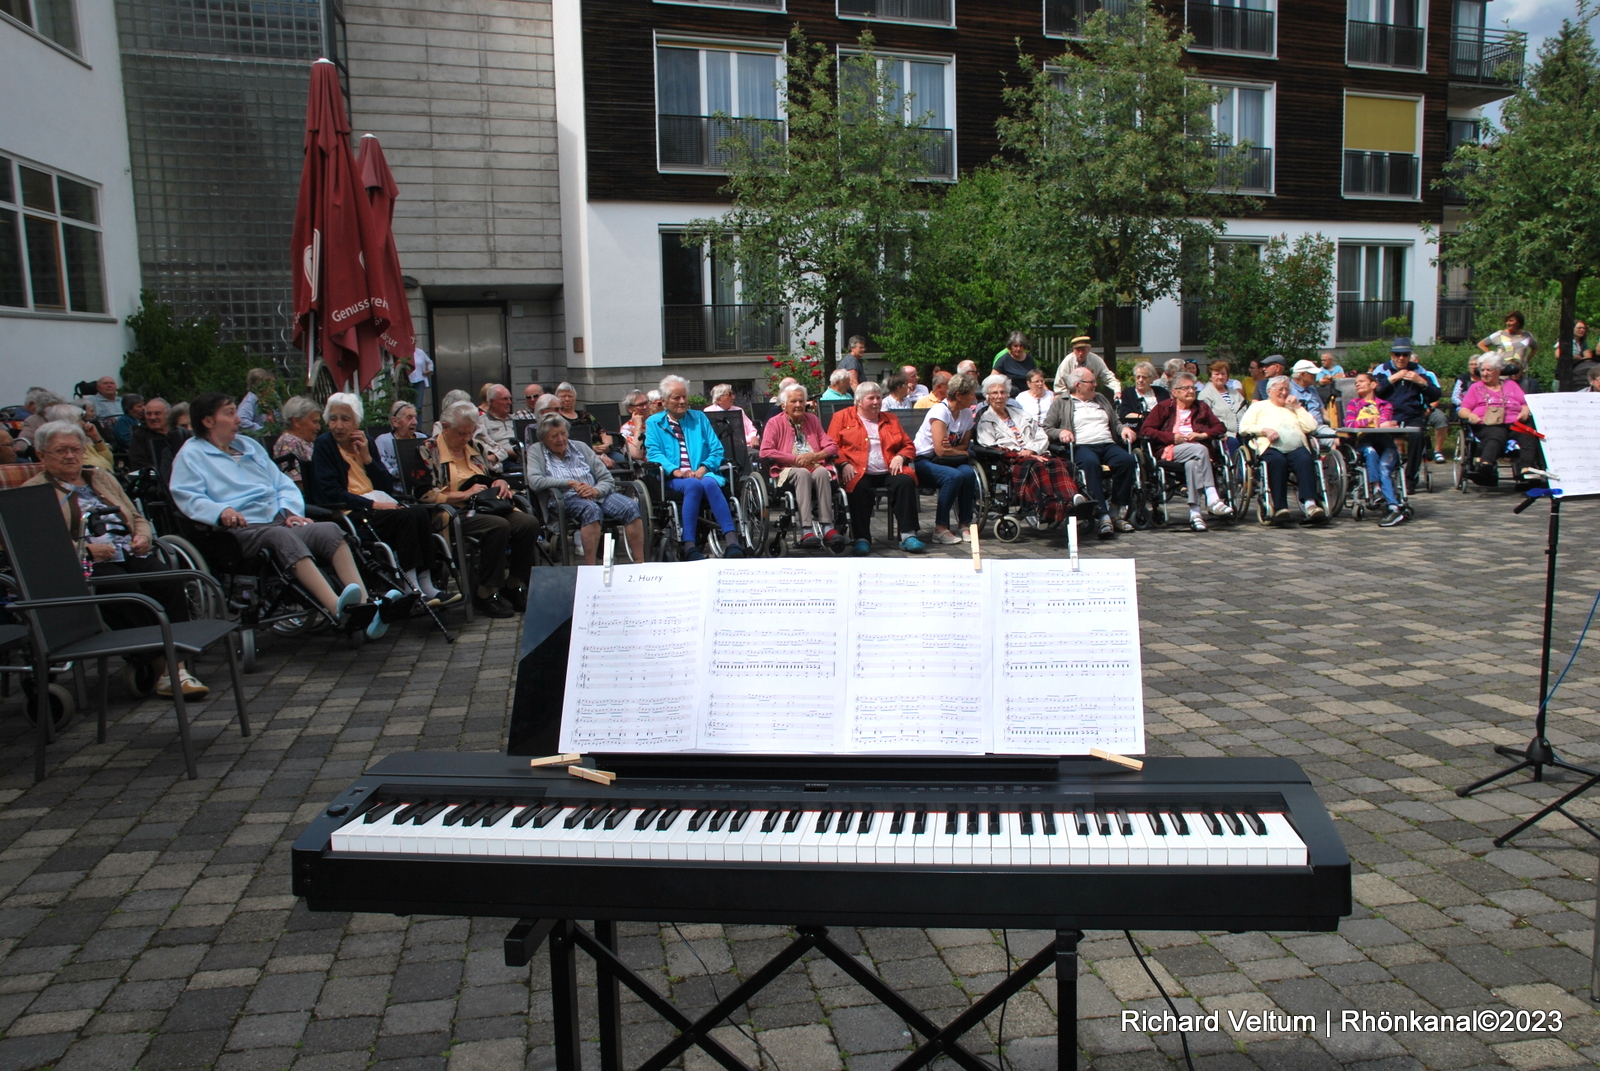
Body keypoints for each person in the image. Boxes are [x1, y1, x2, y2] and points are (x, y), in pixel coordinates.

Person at [169, 393, 384, 636]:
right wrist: (221, 510)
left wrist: (289, 511)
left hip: (278, 521)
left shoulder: (248, 447)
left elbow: (282, 484)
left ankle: (365, 606)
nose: (238, 419)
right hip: (239, 530)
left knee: (330, 530)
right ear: (208, 421)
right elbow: (187, 495)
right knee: (282, 537)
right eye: (229, 413)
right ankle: (337, 609)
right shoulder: (191, 455)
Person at [25, 420, 209, 696]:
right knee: (127, 591)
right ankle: (168, 669)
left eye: (76, 449)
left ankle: (177, 662)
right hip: (87, 564)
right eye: (61, 450)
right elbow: (39, 543)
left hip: (129, 550)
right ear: (41, 455)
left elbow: (135, 516)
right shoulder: (35, 491)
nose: (71, 456)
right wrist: (87, 550)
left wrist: (143, 537)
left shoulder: (101, 478)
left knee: (168, 581)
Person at [312, 393, 449, 606]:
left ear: (356, 422)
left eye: (345, 419)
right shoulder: (324, 445)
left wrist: (368, 458)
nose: (338, 425)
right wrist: (374, 504)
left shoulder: (366, 442)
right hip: (350, 511)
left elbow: (385, 485)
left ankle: (426, 583)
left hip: (375, 504)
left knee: (420, 513)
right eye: (333, 419)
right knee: (405, 517)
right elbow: (330, 492)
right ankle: (411, 586)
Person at [420, 400, 540, 616]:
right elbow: (423, 494)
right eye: (461, 433)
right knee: (498, 526)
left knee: (527, 523)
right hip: (453, 511)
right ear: (445, 427)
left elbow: (493, 475)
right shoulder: (428, 451)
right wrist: (465, 494)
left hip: (486, 506)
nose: (466, 438)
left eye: (470, 432)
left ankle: (513, 584)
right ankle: (485, 592)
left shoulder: (475, 447)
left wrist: (500, 482)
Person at [645, 375, 744, 560]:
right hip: (672, 477)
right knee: (693, 485)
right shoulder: (654, 423)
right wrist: (676, 471)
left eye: (684, 396)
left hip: (703, 473)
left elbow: (716, 449)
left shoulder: (699, 418)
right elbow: (654, 454)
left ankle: (732, 542)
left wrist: (703, 469)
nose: (682, 401)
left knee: (708, 483)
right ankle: (689, 546)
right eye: (676, 398)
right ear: (664, 401)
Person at [526, 413, 646, 565]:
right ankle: (591, 568)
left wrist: (596, 490)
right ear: (543, 438)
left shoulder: (580, 447)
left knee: (630, 506)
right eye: (554, 436)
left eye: (563, 433)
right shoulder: (536, 451)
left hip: (596, 493)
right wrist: (569, 483)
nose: (561, 439)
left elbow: (606, 478)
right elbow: (535, 481)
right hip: (565, 498)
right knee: (591, 509)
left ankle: (639, 563)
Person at [828, 381, 923, 555]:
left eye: (878, 398)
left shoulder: (891, 419)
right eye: (871, 398)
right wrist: (844, 463)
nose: (876, 402)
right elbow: (832, 446)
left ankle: (908, 535)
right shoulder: (842, 417)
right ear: (858, 401)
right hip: (858, 470)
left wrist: (901, 456)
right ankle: (861, 538)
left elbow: (908, 445)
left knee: (905, 481)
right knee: (857, 486)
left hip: (889, 468)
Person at [1042, 367, 1138, 538]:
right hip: (1082, 445)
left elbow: (1115, 422)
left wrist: (1123, 429)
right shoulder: (1062, 401)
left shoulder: (1100, 398)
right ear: (1078, 385)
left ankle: (1115, 511)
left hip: (1107, 443)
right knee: (1090, 464)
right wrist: (1061, 432)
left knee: (1127, 461)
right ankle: (1103, 515)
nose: (1095, 385)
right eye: (1091, 382)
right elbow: (1047, 428)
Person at [975, 374, 1081, 528]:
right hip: (1011, 460)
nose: (999, 396)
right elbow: (989, 446)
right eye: (995, 393)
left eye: (1003, 392)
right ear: (987, 396)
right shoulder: (985, 420)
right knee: (1036, 466)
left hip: (1035, 453)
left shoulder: (1021, 414)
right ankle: (1048, 507)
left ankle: (1071, 501)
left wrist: (1032, 450)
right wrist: (1021, 454)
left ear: (1008, 394)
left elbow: (1041, 435)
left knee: (1058, 463)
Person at [1139, 373, 1234, 530]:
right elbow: (1146, 430)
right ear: (1175, 392)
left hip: (1197, 453)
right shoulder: (1163, 407)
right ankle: (1212, 497)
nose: (1191, 391)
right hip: (1172, 449)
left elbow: (1220, 427)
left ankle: (1195, 514)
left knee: (1192, 464)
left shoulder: (1202, 407)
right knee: (1200, 449)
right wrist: (1171, 437)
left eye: (1193, 388)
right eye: (1186, 388)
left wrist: (1203, 435)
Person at [759, 384, 845, 550]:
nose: (798, 405)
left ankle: (827, 527)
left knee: (822, 472)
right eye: (793, 401)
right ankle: (806, 529)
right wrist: (794, 458)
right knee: (802, 474)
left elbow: (832, 446)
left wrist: (815, 456)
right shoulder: (774, 423)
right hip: (787, 469)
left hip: (814, 464)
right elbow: (765, 451)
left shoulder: (812, 420)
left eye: (801, 401)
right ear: (783, 405)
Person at [1240, 376, 1325, 526]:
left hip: (1296, 448)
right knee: (1277, 461)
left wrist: (1298, 407)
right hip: (1270, 447)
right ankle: (1280, 508)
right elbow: (1244, 428)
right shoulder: (1259, 406)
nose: (1284, 392)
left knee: (1305, 459)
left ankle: (1310, 505)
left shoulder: (1293, 407)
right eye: (1281, 389)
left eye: (1287, 389)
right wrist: (1264, 430)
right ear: (1269, 391)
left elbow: (1311, 427)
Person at [912, 372, 981, 545]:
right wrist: (960, 452)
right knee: (953, 476)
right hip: (922, 460)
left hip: (947, 460)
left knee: (968, 473)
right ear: (959, 395)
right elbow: (941, 450)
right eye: (971, 394)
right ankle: (940, 528)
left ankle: (964, 524)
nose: (974, 397)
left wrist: (954, 450)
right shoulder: (940, 411)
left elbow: (964, 444)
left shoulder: (966, 413)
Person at [1458, 352, 1542, 484]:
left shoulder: (1511, 385)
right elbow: (1463, 410)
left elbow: (1525, 403)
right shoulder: (1476, 387)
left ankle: (1526, 468)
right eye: (1482, 370)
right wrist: (1470, 415)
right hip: (1487, 423)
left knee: (1528, 433)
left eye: (1489, 370)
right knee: (1498, 433)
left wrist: (1525, 411)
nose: (1484, 373)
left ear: (1498, 371)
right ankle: (1485, 464)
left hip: (1513, 422)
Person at [1373, 338, 1441, 491]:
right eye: (1397, 354)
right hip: (1387, 416)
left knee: (1418, 435)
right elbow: (1375, 391)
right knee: (1379, 438)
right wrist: (1393, 378)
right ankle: (1383, 476)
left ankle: (1410, 478)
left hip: (1412, 415)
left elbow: (1435, 394)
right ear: (1392, 355)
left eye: (1405, 354)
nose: (1401, 358)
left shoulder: (1419, 370)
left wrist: (1421, 382)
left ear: (1410, 356)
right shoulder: (1381, 369)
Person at [1344, 372, 1407, 528]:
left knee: (1384, 468)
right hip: (1365, 443)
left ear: (1373, 384)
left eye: (1361, 381)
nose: (1357, 384)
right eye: (1356, 382)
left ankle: (1393, 508)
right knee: (1370, 451)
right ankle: (1377, 488)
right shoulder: (1354, 404)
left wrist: (1371, 423)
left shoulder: (1385, 405)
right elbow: (1349, 424)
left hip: (1385, 443)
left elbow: (1384, 422)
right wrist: (1371, 420)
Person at [554, 382, 616, 465]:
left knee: (620, 458)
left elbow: (603, 431)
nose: (567, 399)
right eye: (563, 396)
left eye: (570, 396)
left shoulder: (585, 415)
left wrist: (607, 445)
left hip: (602, 450)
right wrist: (590, 448)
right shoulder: (558, 418)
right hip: (581, 454)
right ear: (556, 399)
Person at [128, 397, 187, 480]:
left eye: (157, 413)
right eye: (149, 414)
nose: (152, 417)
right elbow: (138, 463)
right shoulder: (140, 435)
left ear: (168, 415)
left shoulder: (178, 434)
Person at [41, 404, 114, 470]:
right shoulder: (68, 449)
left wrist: (96, 438)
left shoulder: (84, 442)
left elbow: (109, 462)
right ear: (69, 423)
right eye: (80, 419)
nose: (83, 423)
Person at [272, 396, 322, 485]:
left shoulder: (305, 441)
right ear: (296, 422)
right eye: (314, 422)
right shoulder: (289, 443)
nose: (318, 427)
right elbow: (296, 484)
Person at [1199, 360, 1246, 448]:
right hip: (1223, 434)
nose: (1220, 377)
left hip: (1242, 432)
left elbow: (1245, 411)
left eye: (1223, 374)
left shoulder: (1236, 393)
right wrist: (1216, 433)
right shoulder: (1205, 395)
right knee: (1233, 443)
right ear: (1210, 377)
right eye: (1217, 374)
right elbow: (1204, 418)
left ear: (1227, 377)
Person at [1051, 336, 1121, 395]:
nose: (1080, 353)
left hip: (1090, 395)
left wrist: (1117, 391)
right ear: (1073, 350)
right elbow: (1059, 387)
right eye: (1078, 350)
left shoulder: (1096, 360)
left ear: (1088, 349)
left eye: (1083, 350)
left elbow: (1108, 377)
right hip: (1070, 395)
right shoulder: (1067, 362)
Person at [477, 383, 519, 469]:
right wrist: (509, 453)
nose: (509, 402)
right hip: (501, 461)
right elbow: (484, 446)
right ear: (493, 402)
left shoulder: (516, 419)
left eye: (510, 399)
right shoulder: (482, 422)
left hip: (523, 458)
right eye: (505, 399)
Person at [705, 384, 759, 448]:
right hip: (720, 448)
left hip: (744, 446)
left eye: (732, 394)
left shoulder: (739, 410)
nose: (733, 397)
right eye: (730, 394)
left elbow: (750, 428)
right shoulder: (709, 412)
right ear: (719, 399)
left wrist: (753, 436)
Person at [1117, 362, 1169, 429]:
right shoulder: (1128, 393)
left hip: (1162, 428)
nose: (1140, 380)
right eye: (1138, 377)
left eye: (1144, 377)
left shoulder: (1162, 392)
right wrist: (1145, 418)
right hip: (1139, 428)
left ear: (1151, 378)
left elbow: (1169, 412)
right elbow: (1125, 414)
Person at [375, 401, 419, 479]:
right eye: (409, 417)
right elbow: (382, 471)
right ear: (395, 421)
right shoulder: (383, 442)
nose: (415, 422)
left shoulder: (422, 439)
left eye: (415, 417)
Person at [990, 331, 1039, 397]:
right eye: (1015, 346)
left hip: (1028, 396)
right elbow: (992, 379)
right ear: (1010, 346)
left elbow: (1038, 378)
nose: (1018, 348)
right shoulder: (1003, 360)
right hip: (1010, 397)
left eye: (1021, 346)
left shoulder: (1029, 359)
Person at [1288, 361, 1331, 425]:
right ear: (1302, 375)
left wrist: (1336, 424)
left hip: (1320, 426)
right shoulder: (1288, 389)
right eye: (1312, 374)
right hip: (1300, 427)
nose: (1315, 376)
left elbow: (1323, 412)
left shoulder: (1312, 388)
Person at [618, 390, 650, 461]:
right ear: (630, 409)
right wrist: (638, 427)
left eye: (646, 403)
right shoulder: (626, 428)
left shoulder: (656, 422)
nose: (645, 407)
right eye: (640, 405)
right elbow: (636, 454)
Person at [408, 347, 434, 422]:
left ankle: (418, 425)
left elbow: (429, 362)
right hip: (407, 381)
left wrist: (429, 370)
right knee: (408, 406)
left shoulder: (420, 352)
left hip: (419, 380)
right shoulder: (403, 352)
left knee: (418, 406)